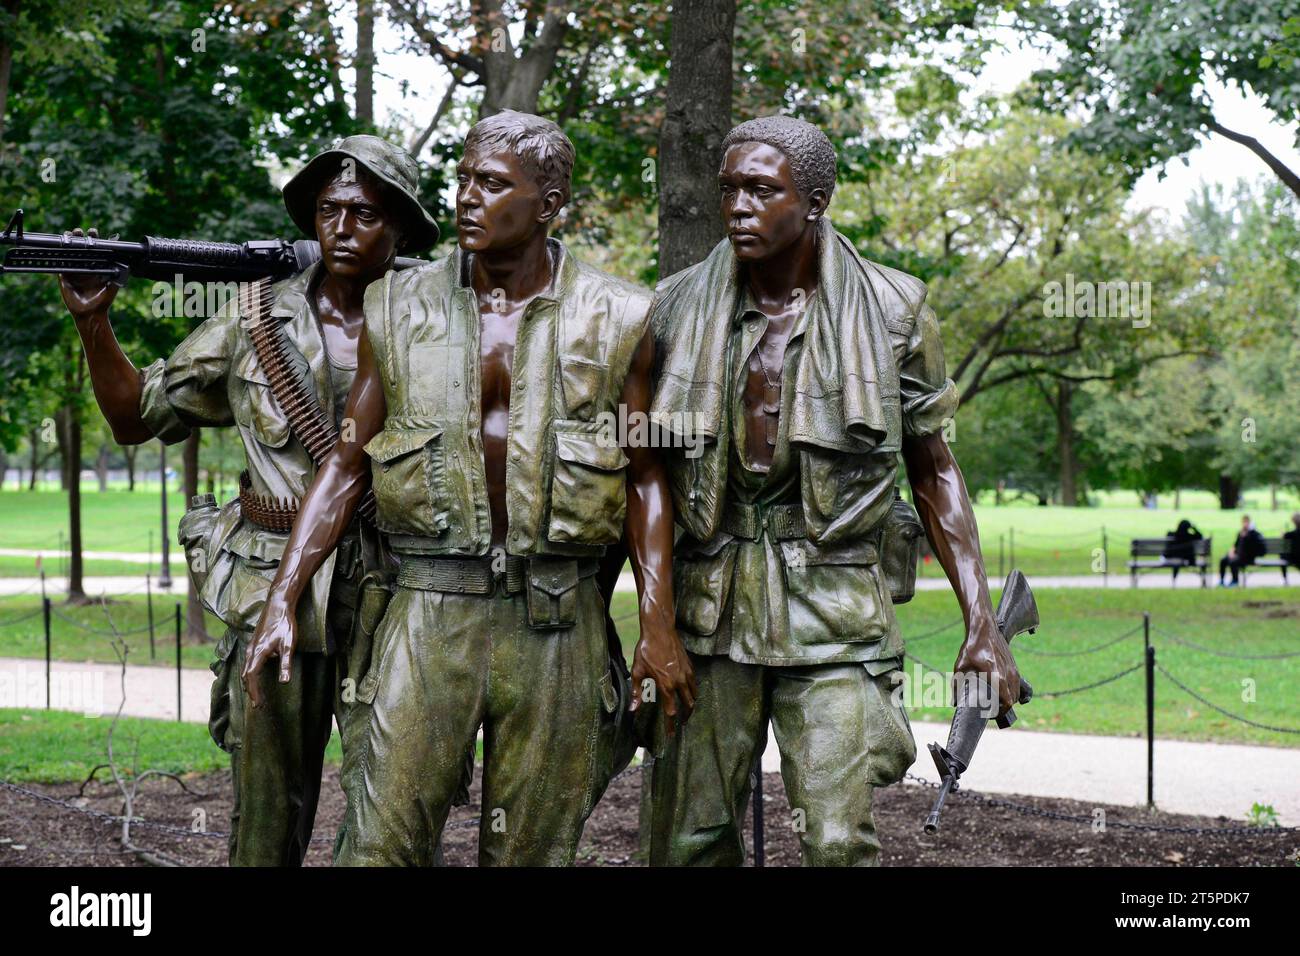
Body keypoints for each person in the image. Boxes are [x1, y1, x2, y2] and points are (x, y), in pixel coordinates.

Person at [242, 111, 697, 866]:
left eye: (490, 184)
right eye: (461, 179)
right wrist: (283, 597)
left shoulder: (620, 315)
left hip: (555, 618)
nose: (464, 198)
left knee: (530, 854)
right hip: (428, 610)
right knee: (378, 846)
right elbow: (348, 465)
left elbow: (648, 480)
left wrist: (658, 626)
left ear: (549, 204)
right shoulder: (397, 306)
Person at [644, 115, 1019, 866]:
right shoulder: (673, 306)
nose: (738, 207)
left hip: (836, 607)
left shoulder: (893, 309)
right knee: (687, 841)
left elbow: (933, 466)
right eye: (728, 191)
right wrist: (654, 625)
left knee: (839, 839)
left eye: (761, 190)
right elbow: (644, 466)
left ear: (813, 202)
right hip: (709, 607)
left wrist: (983, 621)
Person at [57, 135, 438, 866]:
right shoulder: (254, 319)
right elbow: (136, 416)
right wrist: (92, 322)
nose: (342, 228)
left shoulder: (438, 320)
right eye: (328, 210)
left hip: (396, 588)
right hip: (272, 588)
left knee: (394, 814)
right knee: (265, 820)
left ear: (401, 227)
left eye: (364, 212)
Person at [1219, 514, 1266, 587]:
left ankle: (1235, 581)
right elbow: (1235, 545)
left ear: (1249, 523)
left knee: (1233, 562)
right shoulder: (1240, 533)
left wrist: (1247, 535)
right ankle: (1221, 581)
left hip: (1247, 557)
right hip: (1237, 555)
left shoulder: (1253, 534)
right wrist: (1231, 552)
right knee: (1223, 560)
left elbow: (1255, 547)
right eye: (1243, 522)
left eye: (1246, 522)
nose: (1245, 524)